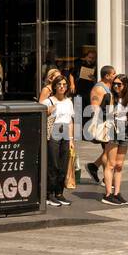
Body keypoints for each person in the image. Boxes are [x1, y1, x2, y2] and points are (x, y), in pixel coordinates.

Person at [105, 74, 128, 206]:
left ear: (125, 85)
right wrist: (108, 117)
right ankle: (108, 194)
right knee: (111, 164)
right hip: (112, 131)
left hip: (125, 131)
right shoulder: (109, 97)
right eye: (114, 84)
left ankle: (117, 193)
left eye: (119, 84)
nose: (116, 86)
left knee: (119, 165)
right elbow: (99, 112)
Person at [85, 65, 118, 188]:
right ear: (107, 76)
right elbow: (95, 107)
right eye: (113, 74)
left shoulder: (108, 87)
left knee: (108, 150)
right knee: (108, 151)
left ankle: (94, 167)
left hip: (109, 122)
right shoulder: (99, 88)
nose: (115, 75)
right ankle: (106, 178)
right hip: (103, 123)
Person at [44, 75, 74, 207]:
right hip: (54, 133)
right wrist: (48, 111)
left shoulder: (69, 101)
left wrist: (72, 139)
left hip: (65, 134)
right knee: (53, 164)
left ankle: (59, 193)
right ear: (55, 86)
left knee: (63, 165)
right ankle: (49, 194)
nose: (62, 87)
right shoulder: (48, 101)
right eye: (59, 84)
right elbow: (41, 118)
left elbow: (70, 121)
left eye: (64, 85)